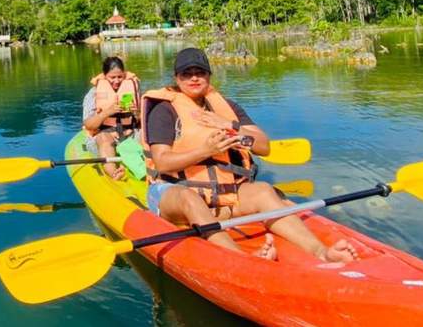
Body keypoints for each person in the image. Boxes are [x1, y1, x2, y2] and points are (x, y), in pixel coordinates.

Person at [140, 47, 357, 263]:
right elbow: (163, 162)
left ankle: (322, 252)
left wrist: (231, 126)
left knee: (263, 190)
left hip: (222, 195)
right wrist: (206, 150)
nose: (194, 78)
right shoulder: (164, 110)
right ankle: (244, 260)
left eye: (200, 72)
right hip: (173, 193)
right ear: (176, 78)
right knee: (190, 198)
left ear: (209, 75)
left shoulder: (227, 107)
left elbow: (264, 146)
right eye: (186, 74)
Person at [82, 56, 141, 180]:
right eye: (112, 77)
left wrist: (136, 113)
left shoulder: (133, 88)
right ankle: (114, 172)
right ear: (105, 75)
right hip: (106, 134)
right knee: (104, 140)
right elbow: (89, 125)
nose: (117, 81)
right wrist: (107, 112)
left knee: (149, 135)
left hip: (130, 134)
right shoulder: (93, 93)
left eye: (120, 77)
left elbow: (143, 120)